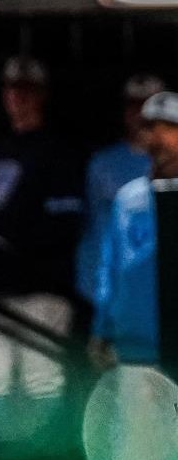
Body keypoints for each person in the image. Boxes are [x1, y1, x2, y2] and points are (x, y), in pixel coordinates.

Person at [0, 56, 85, 404]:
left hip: (42, 291)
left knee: (42, 386)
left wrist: (17, 253)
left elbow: (66, 225)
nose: (18, 97)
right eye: (12, 89)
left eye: (26, 90)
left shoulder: (59, 151)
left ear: (41, 95)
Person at [78, 73, 164, 365]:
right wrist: (102, 324)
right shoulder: (127, 195)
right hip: (132, 333)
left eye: (168, 128)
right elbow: (107, 259)